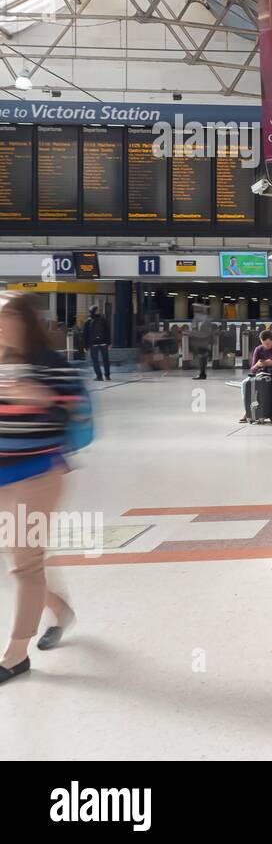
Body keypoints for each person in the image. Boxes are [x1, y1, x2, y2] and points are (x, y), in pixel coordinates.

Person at [0, 293, 82, 684]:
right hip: (2, 476)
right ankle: (59, 609)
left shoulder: (51, 365)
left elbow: (70, 412)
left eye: (4, 319)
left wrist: (38, 395)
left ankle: (16, 655)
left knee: (25, 563)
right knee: (14, 556)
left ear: (23, 322)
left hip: (38, 473)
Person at [239, 329, 272, 423]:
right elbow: (252, 369)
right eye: (264, 344)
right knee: (244, 383)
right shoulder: (259, 349)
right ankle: (249, 411)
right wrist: (258, 365)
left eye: (268, 344)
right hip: (263, 375)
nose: (266, 346)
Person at [82, 305, 111, 381]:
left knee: (95, 361)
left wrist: (85, 346)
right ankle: (107, 376)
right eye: (98, 310)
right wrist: (109, 343)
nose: (99, 311)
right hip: (103, 343)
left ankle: (99, 376)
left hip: (93, 344)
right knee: (106, 360)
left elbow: (85, 335)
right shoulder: (103, 320)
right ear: (96, 311)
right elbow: (108, 332)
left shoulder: (87, 321)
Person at [190, 305, 214, 379]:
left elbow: (205, 331)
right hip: (202, 342)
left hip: (203, 342)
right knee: (202, 358)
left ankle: (202, 374)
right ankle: (202, 373)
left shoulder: (206, 319)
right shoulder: (203, 319)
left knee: (202, 358)